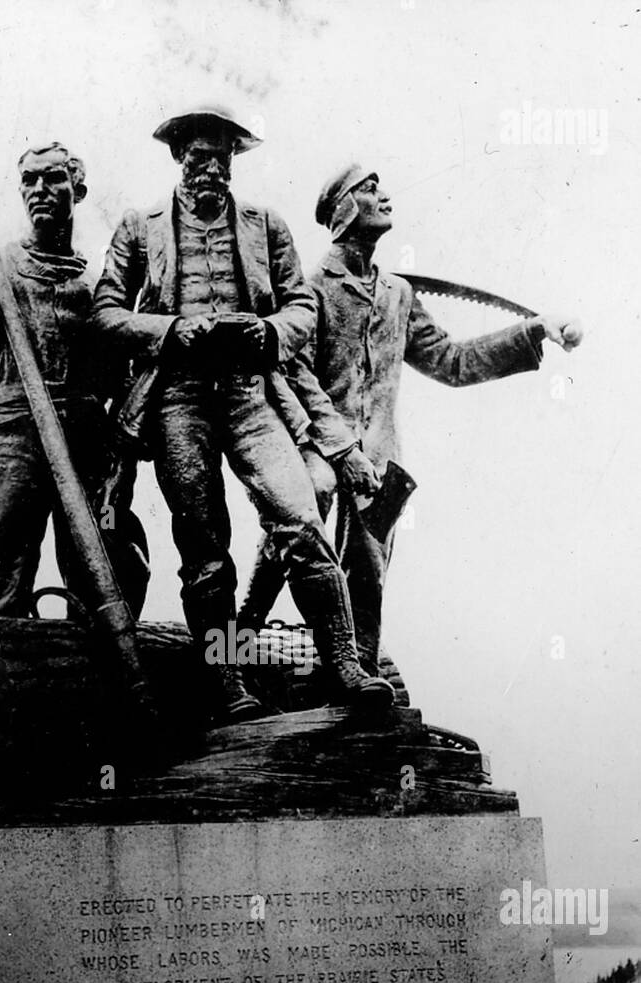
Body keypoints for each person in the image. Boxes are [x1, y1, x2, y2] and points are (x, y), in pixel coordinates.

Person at [92, 105, 393, 722]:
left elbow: (302, 308)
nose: (211, 167)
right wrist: (172, 330)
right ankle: (226, 683)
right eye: (199, 155)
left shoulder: (267, 226)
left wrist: (267, 331)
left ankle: (343, 665)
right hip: (176, 398)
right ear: (178, 156)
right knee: (204, 548)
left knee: (300, 518)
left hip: (251, 396)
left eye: (222, 155)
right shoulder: (138, 227)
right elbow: (106, 316)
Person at [239, 164, 584, 675]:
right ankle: (238, 637)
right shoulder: (309, 290)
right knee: (297, 524)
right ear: (345, 209)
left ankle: (361, 677)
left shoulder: (398, 294)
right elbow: (292, 376)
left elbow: (451, 361)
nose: (383, 195)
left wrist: (533, 332)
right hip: (319, 450)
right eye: (369, 188)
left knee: (369, 570)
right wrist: (337, 450)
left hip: (380, 460)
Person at [0, 142, 149, 619]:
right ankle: (4, 683)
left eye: (53, 179)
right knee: (6, 581)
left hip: (87, 442)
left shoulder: (98, 286)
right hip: (14, 434)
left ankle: (94, 685)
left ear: (79, 189)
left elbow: (125, 374)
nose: (39, 190)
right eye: (29, 181)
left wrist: (119, 457)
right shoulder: (0, 265)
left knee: (108, 576)